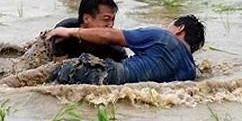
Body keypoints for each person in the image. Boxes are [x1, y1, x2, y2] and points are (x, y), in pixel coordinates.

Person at [47, 15, 205, 84]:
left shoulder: (164, 37)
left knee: (48, 74)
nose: (166, 28)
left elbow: (110, 35)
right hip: (121, 85)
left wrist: (70, 32)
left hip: (101, 75)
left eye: (170, 25)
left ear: (180, 29)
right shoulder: (191, 71)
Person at [51, 0, 128, 62]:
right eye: (106, 19)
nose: (111, 25)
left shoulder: (114, 48)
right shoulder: (63, 32)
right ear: (86, 18)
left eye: (113, 19)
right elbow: (59, 66)